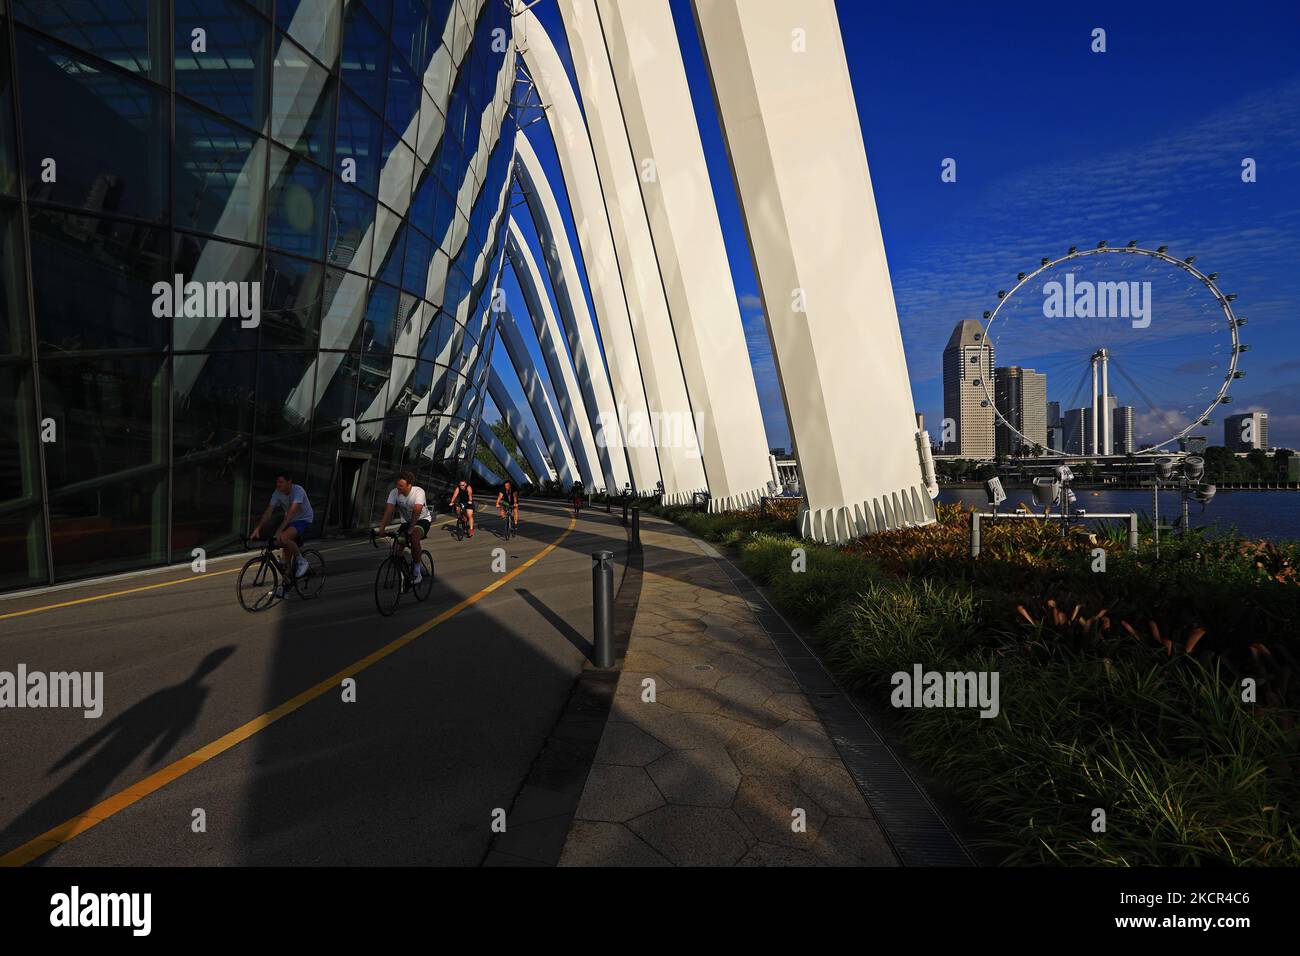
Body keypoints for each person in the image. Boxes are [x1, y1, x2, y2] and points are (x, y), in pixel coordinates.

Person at [250, 473, 313, 596]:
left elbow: (290, 513)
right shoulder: (277, 493)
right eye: (277, 482)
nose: (278, 485)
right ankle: (286, 586)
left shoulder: (298, 490)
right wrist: (258, 528)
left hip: (304, 519)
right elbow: (269, 512)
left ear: (289, 482)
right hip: (291, 521)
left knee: (283, 537)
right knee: (284, 558)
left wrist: (279, 531)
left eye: (281, 482)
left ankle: (301, 561)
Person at [374, 471, 430, 583]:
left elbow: (417, 510)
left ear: (409, 485)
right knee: (395, 550)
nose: (398, 488)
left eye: (401, 486)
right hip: (407, 522)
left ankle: (417, 572)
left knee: (414, 537)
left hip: (422, 520)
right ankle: (403, 575)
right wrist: (382, 528)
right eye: (397, 485)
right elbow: (388, 511)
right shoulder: (394, 492)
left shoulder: (418, 491)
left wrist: (411, 529)